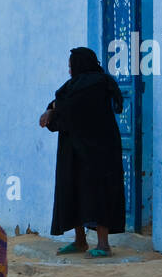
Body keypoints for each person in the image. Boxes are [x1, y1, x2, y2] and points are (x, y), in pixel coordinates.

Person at [39, 47, 127, 258]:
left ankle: (103, 245)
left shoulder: (92, 85)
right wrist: (53, 108)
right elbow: (64, 103)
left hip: (96, 150)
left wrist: (51, 111)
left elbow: (69, 107)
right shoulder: (93, 83)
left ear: (78, 66)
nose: (69, 71)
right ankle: (80, 242)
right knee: (75, 190)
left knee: (97, 193)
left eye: (71, 66)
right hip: (80, 149)